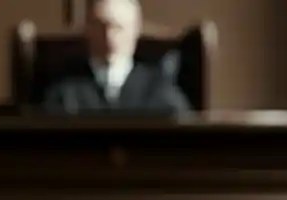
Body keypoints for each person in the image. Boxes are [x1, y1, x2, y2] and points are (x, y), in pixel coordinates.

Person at [42, 0, 192, 115]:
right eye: (100, 26)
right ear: (87, 29)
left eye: (118, 28)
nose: (109, 36)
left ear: (135, 30)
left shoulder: (159, 87)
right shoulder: (64, 87)